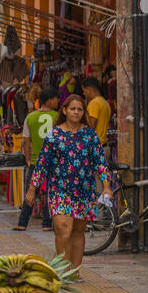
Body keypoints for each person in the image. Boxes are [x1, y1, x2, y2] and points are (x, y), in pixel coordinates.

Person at [24, 93, 111, 272]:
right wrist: (32, 189)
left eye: (79, 109)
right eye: (72, 108)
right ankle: (62, 271)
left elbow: (101, 163)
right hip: (59, 189)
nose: (76, 112)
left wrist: (107, 187)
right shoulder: (54, 135)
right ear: (64, 110)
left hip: (84, 190)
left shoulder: (89, 135)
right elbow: (42, 164)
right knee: (63, 228)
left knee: (78, 231)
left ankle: (74, 271)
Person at [14, 86, 59, 232]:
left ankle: (22, 223)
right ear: (50, 100)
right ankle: (47, 224)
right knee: (50, 192)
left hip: (36, 160)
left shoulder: (30, 117)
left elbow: (26, 141)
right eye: (56, 98)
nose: (58, 101)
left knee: (31, 191)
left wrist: (28, 159)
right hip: (53, 160)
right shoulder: (57, 116)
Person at [83, 77, 112, 146]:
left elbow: (91, 127)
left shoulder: (94, 103)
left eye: (84, 90)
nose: (84, 93)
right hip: (104, 144)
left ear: (89, 89)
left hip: (96, 147)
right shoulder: (105, 102)